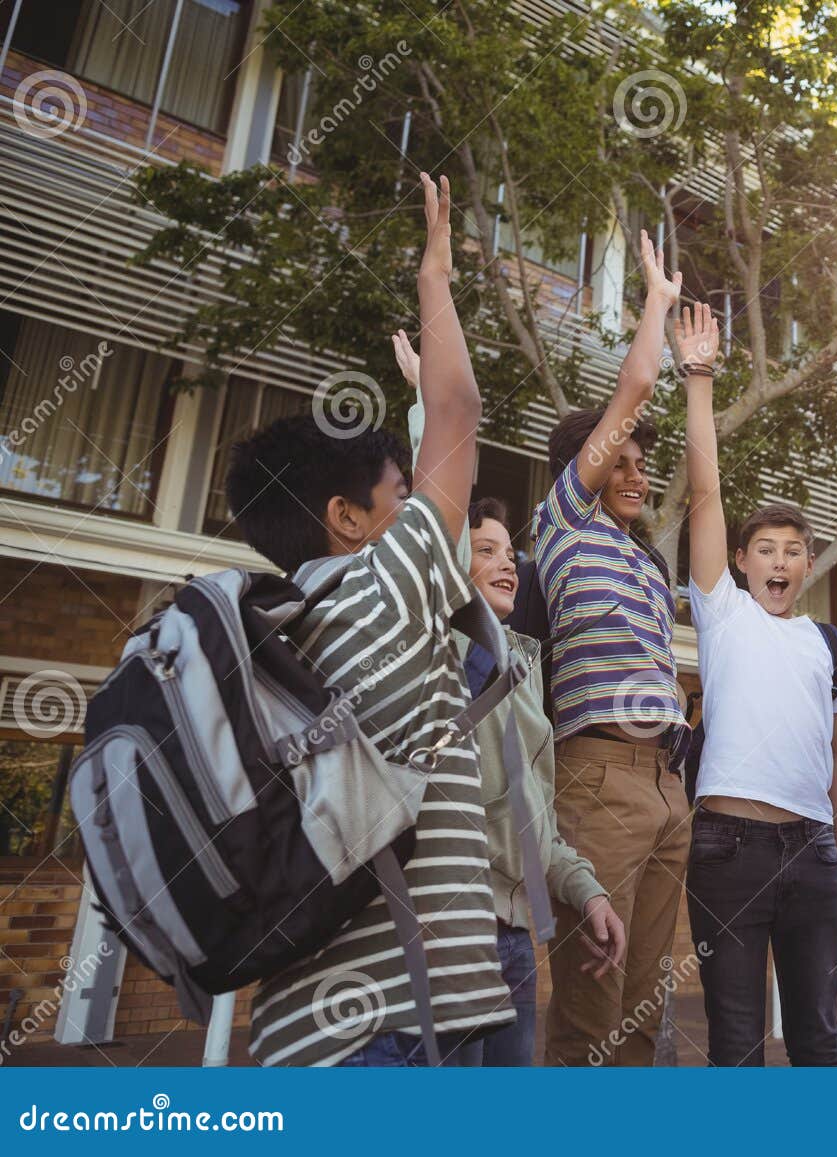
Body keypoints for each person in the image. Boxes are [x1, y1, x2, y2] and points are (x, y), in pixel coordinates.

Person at [226, 175, 512, 1066]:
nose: (421, 509)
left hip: (324, 1029)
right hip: (385, 1031)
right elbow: (461, 414)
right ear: (348, 520)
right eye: (398, 495)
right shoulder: (381, 590)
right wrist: (434, 276)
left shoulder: (289, 629)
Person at [394, 333, 628, 1065]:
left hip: (513, 937)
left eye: (509, 552)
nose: (504, 562)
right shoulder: (430, 641)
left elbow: (539, 824)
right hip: (438, 932)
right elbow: (436, 514)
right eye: (484, 547)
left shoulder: (523, 674)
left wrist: (587, 893)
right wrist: (429, 407)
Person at [531, 231, 692, 1066]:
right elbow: (632, 387)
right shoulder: (562, 524)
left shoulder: (642, 559)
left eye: (641, 464)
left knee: (642, 1013)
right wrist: (658, 305)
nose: (633, 473)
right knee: (592, 1007)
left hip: (666, 787)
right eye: (617, 460)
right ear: (584, 468)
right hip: (597, 778)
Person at [679, 301, 837, 1066]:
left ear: (806, 565)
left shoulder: (829, 642)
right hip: (728, 850)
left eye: (794, 550)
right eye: (765, 548)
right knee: (738, 1038)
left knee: (818, 1034)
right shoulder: (722, 614)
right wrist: (699, 377)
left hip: (812, 851)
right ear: (742, 562)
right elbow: (707, 495)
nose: (779, 561)